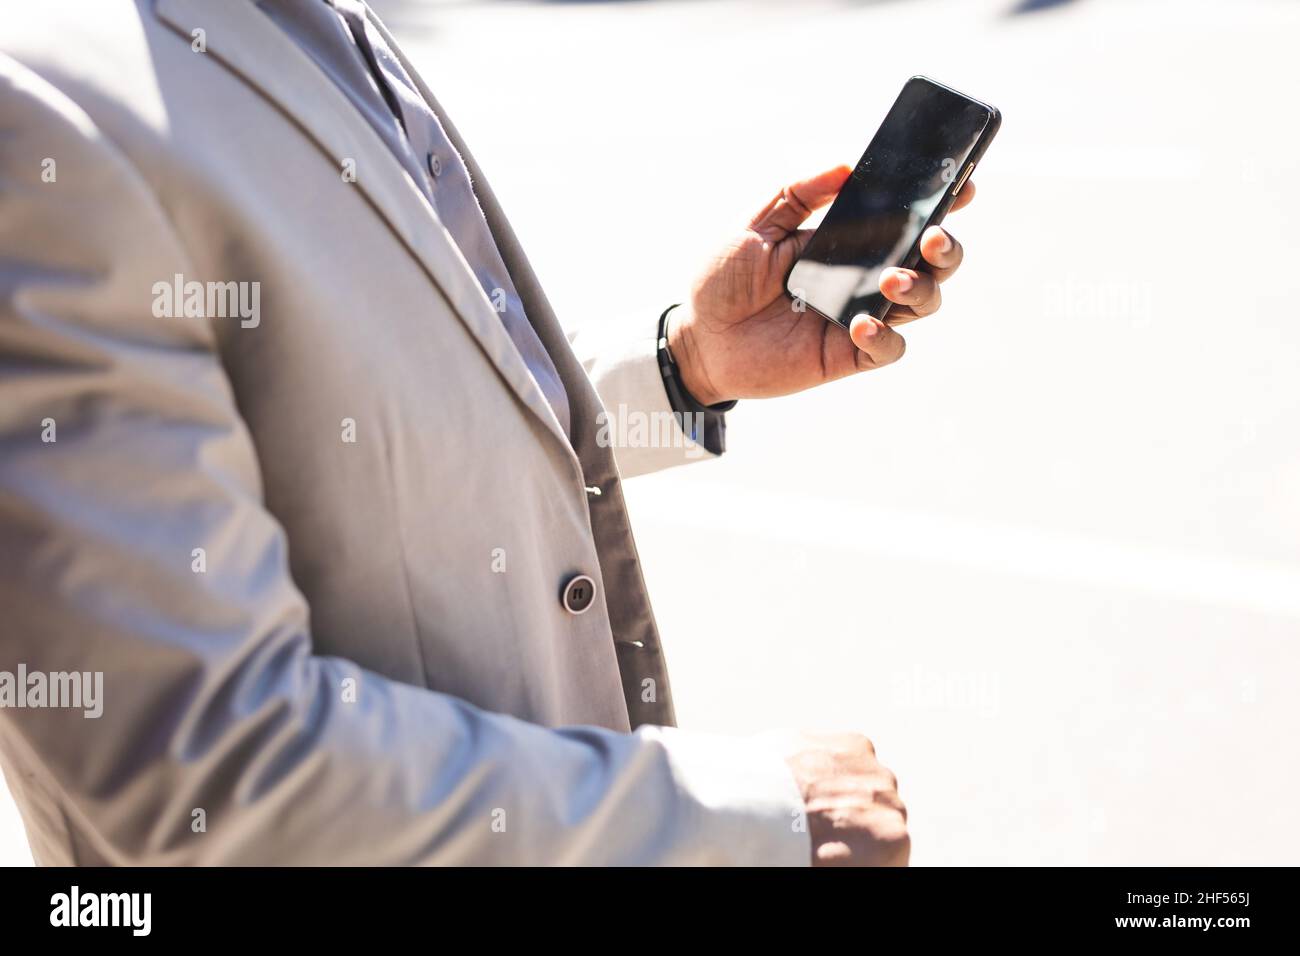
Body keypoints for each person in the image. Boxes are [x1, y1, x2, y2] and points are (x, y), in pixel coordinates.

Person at [0, 0, 973, 865]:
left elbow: (361, 429)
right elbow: (197, 763)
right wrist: (745, 817)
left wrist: (684, 365)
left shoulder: (325, 23)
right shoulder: (42, 103)